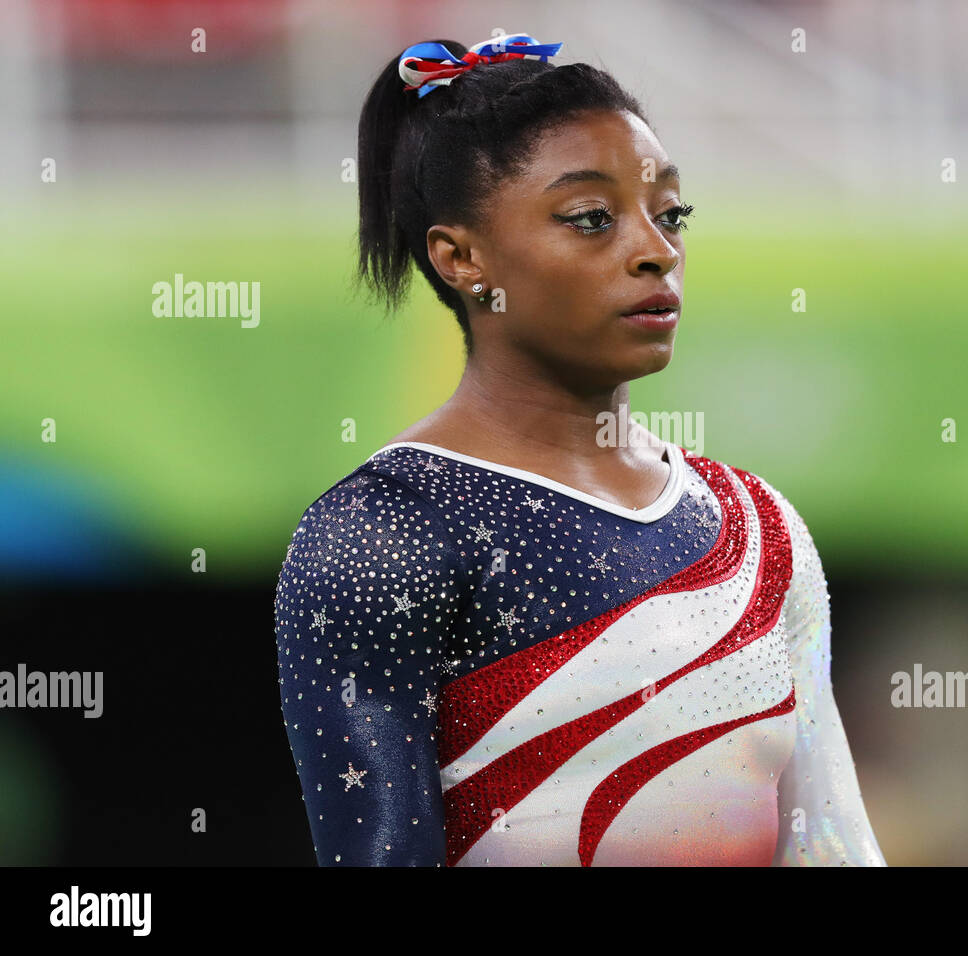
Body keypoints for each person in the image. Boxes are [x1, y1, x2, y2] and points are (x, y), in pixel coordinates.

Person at [273, 32, 886, 867]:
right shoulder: (388, 533)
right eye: (591, 219)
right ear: (462, 258)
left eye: (669, 214)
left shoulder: (761, 530)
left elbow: (832, 845)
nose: (655, 250)